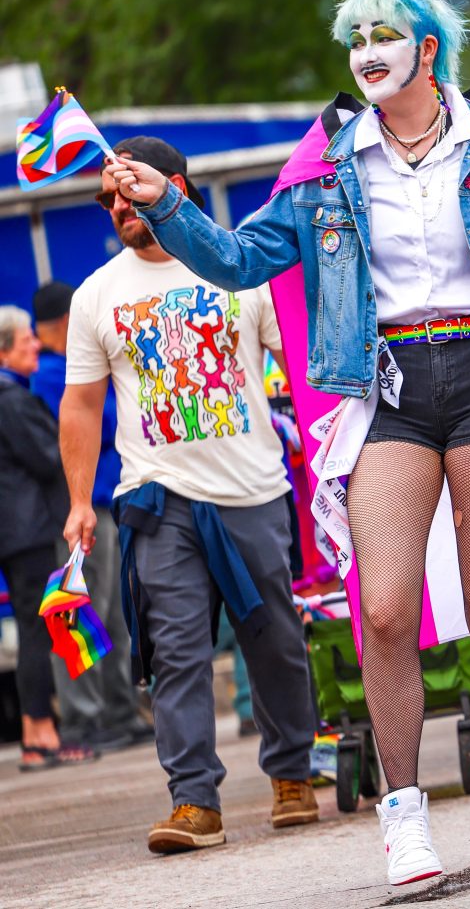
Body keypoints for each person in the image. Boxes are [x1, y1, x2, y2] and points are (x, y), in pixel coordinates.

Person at [107, 0, 470, 886]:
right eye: (354, 37)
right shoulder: (328, 162)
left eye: (384, 32)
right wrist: (167, 206)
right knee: (383, 605)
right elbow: (241, 259)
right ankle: (404, 818)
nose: (367, 49)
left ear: (429, 49)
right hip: (387, 389)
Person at [61, 137, 319, 853]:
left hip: (252, 488)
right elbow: (81, 405)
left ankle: (292, 774)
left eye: (128, 191)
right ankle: (193, 799)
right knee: (173, 648)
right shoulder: (97, 295)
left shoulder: (242, 269)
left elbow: (295, 366)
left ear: (171, 184)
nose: (119, 207)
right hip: (155, 494)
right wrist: (80, 502)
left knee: (272, 637)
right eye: (108, 199)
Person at [29, 281, 148, 754]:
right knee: (76, 613)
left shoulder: (70, 370)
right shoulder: (51, 375)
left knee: (114, 614)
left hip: (107, 503)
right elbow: (102, 425)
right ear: (65, 323)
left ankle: (119, 710)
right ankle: (84, 718)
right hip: (78, 511)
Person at [0, 306, 98, 772]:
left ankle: (34, 732)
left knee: (33, 630)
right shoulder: (10, 399)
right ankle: (41, 734)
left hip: (15, 532)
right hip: (26, 531)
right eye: (25, 340)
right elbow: (44, 457)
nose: (35, 344)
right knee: (39, 632)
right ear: (4, 350)